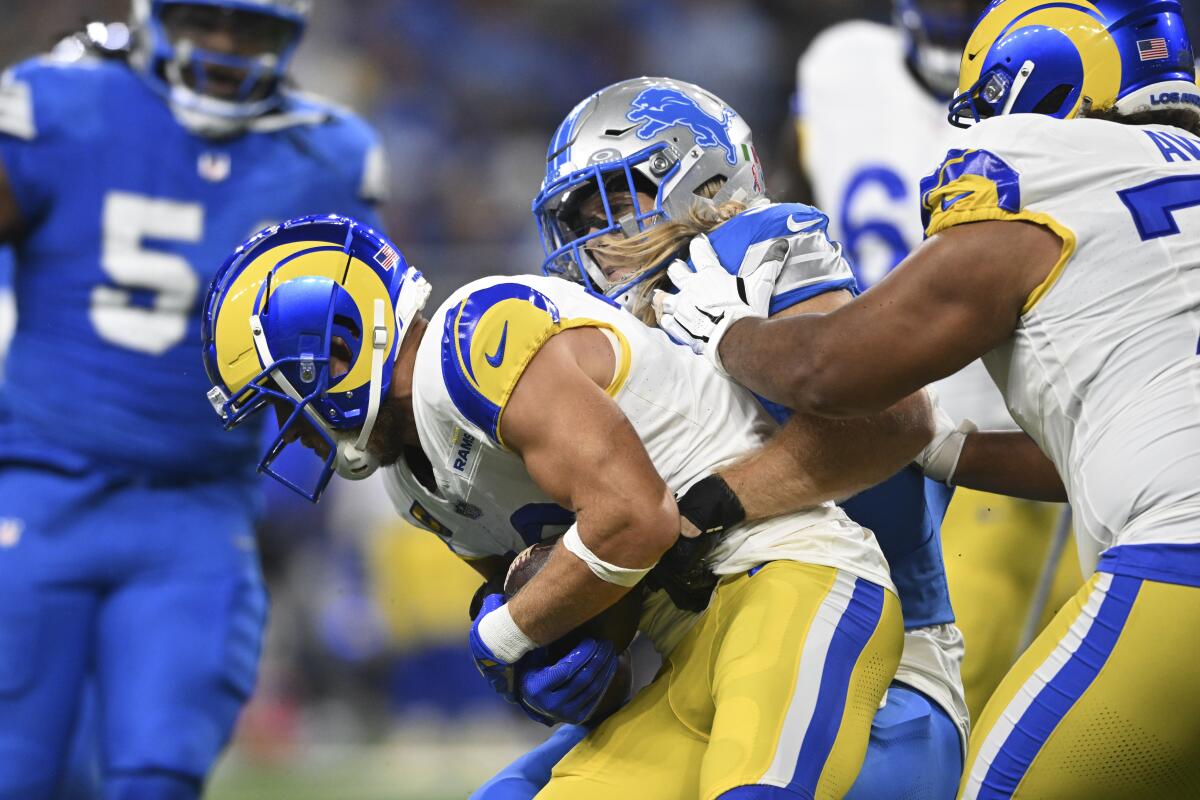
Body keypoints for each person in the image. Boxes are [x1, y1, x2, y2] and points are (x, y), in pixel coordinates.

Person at [657, 1, 1200, 796]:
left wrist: (728, 330)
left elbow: (832, 372)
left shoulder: (1042, 168)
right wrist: (949, 446)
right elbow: (1111, 444)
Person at [201, 213, 934, 798]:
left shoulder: (473, 341)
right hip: (683, 643)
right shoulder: (412, 484)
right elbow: (594, 607)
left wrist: (504, 637)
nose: (292, 429)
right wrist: (567, 671)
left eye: (283, 399)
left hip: (789, 575)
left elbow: (634, 519)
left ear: (340, 345)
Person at [487, 75, 971, 800]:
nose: (596, 238)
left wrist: (699, 509)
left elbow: (888, 421)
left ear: (704, 180)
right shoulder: (602, 338)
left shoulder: (746, 249)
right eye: (580, 215)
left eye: (618, 200)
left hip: (878, 657)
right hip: (698, 657)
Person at [0, 1, 386, 795]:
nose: (223, 47)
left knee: (161, 772)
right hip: (39, 486)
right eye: (202, 21)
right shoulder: (59, 103)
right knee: (20, 766)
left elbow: (361, 345)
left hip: (198, 507)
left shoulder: (327, 152)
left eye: (250, 30)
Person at [792, 0, 1079, 719]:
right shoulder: (841, 66)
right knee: (827, 681)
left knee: (958, 689)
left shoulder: (1068, 74)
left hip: (999, 429)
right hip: (866, 419)